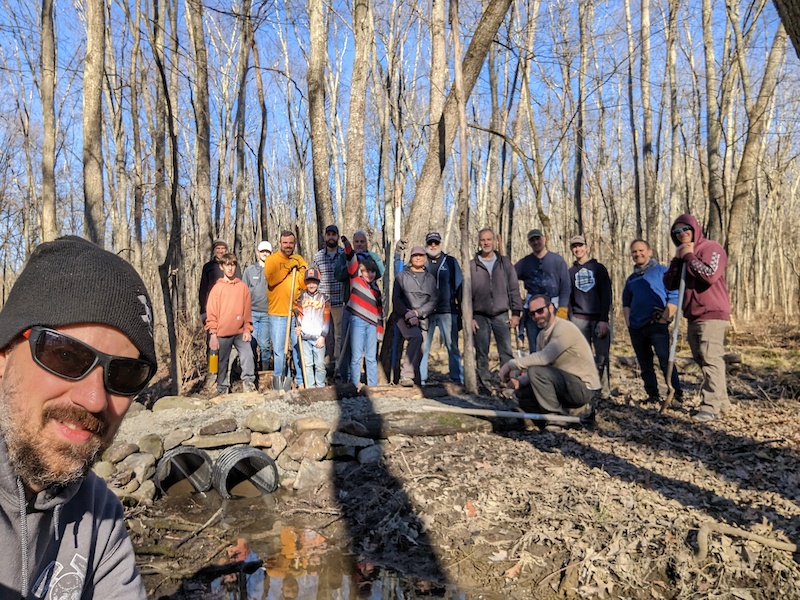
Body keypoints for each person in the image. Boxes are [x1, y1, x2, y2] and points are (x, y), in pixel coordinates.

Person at [0, 235, 157, 598]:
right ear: (5, 353)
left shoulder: (98, 515)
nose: (94, 398)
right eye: (65, 355)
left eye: (124, 374)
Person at [665, 214, 731, 422]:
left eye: (686, 229)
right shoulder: (682, 254)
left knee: (711, 358)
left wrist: (689, 257)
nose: (682, 234)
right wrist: (678, 259)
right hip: (693, 314)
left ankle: (710, 406)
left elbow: (710, 274)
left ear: (694, 229)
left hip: (712, 312)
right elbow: (669, 283)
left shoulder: (711, 248)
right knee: (703, 359)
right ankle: (722, 403)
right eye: (677, 231)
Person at [499, 294, 600, 420]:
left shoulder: (564, 328)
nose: (537, 316)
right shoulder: (541, 335)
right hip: (562, 385)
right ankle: (555, 415)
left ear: (551, 308)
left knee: (536, 371)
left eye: (540, 311)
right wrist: (520, 382)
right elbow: (542, 366)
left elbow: (544, 358)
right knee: (523, 393)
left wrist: (510, 364)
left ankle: (556, 418)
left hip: (583, 388)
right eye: (532, 314)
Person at [622, 239, 683, 404]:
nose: (638, 254)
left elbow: (675, 296)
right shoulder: (631, 279)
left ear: (649, 251)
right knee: (644, 363)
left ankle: (676, 394)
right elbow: (626, 302)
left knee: (665, 359)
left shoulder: (664, 272)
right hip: (636, 327)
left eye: (641, 250)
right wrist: (628, 322)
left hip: (657, 324)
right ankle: (653, 395)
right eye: (634, 252)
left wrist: (664, 318)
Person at [470, 228, 523, 389]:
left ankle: (507, 381)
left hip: (501, 313)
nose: (486, 243)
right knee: (481, 350)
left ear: (493, 241)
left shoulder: (504, 263)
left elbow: (514, 288)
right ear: (479, 242)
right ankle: (484, 381)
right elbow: (465, 293)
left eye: (489, 239)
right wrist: (469, 317)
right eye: (483, 240)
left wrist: (515, 313)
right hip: (479, 314)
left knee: (506, 350)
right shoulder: (472, 265)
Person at [334, 230, 385, 382]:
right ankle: (347, 379)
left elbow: (380, 271)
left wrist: (369, 260)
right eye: (357, 242)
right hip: (350, 306)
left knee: (370, 354)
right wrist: (353, 266)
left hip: (369, 313)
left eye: (362, 242)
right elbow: (340, 273)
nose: (360, 244)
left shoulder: (373, 258)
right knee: (348, 346)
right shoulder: (347, 259)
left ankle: (372, 383)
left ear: (367, 243)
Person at [568, 235, 612, 399]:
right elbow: (569, 298)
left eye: (580, 246)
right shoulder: (570, 272)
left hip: (598, 319)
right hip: (579, 320)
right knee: (581, 357)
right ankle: (586, 389)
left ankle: (604, 391)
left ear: (587, 247)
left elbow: (606, 295)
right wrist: (570, 321)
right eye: (574, 247)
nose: (578, 249)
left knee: (602, 356)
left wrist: (603, 319)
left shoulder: (599, 268)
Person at [206, 253, 256, 394]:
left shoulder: (242, 287)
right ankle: (222, 387)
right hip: (222, 333)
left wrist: (247, 329)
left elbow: (247, 311)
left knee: (248, 355)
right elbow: (211, 313)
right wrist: (213, 334)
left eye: (233, 265)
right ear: (222, 267)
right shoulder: (217, 289)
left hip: (240, 332)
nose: (230, 268)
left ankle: (249, 383)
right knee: (222, 362)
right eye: (227, 265)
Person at [514, 228, 571, 351]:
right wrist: (519, 302)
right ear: (529, 243)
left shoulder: (557, 260)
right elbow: (510, 281)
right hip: (533, 313)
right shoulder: (525, 263)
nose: (535, 242)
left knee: (556, 348)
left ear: (544, 239)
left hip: (554, 311)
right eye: (532, 240)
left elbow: (566, 285)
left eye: (538, 238)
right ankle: (536, 370)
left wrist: (563, 308)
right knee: (535, 349)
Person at [265, 231, 308, 388]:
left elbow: (304, 285)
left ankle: (301, 381)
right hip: (277, 313)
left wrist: (302, 267)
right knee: (279, 351)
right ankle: (280, 381)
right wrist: (289, 266)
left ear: (294, 244)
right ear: (280, 243)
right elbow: (271, 279)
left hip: (294, 312)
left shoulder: (298, 261)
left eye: (291, 243)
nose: (288, 246)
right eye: (285, 243)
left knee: (298, 348)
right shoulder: (272, 260)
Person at [420, 231, 463, 385]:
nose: (433, 246)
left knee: (453, 346)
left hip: (448, 311)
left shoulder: (450, 262)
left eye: (436, 243)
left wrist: (461, 312)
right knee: (423, 347)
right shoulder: (420, 262)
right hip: (426, 312)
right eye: (430, 242)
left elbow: (460, 286)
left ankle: (457, 378)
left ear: (440, 244)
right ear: (426, 244)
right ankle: (421, 379)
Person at [391, 245, 437, 386]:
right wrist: (407, 313)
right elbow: (396, 299)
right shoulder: (402, 276)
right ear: (411, 258)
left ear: (425, 258)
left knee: (422, 348)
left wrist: (418, 313)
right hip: (403, 316)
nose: (418, 258)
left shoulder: (430, 278)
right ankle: (406, 376)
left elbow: (434, 300)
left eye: (421, 255)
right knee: (415, 337)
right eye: (415, 255)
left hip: (422, 317)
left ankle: (416, 380)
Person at [312, 225, 345, 374]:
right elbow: (313, 279)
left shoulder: (344, 255)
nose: (331, 237)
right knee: (323, 333)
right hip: (322, 302)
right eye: (328, 234)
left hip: (340, 301)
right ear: (325, 237)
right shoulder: (318, 257)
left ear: (337, 237)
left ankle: (338, 365)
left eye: (334, 234)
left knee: (339, 335)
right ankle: (323, 365)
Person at [294, 269, 331, 388]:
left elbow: (326, 319)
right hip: (305, 337)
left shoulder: (324, 299)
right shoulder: (301, 298)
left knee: (319, 364)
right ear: (305, 282)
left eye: (314, 282)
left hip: (318, 337)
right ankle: (310, 387)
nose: (311, 285)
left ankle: (320, 386)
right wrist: (298, 327)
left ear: (318, 283)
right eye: (309, 282)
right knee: (307, 364)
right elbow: (299, 316)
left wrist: (323, 335)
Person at [243, 240, 272, 370]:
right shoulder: (249, 271)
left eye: (267, 251)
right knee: (251, 344)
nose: (265, 253)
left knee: (265, 345)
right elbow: (243, 291)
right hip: (252, 313)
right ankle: (253, 371)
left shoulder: (274, 270)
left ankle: (265, 371)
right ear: (257, 252)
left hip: (268, 313)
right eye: (262, 251)